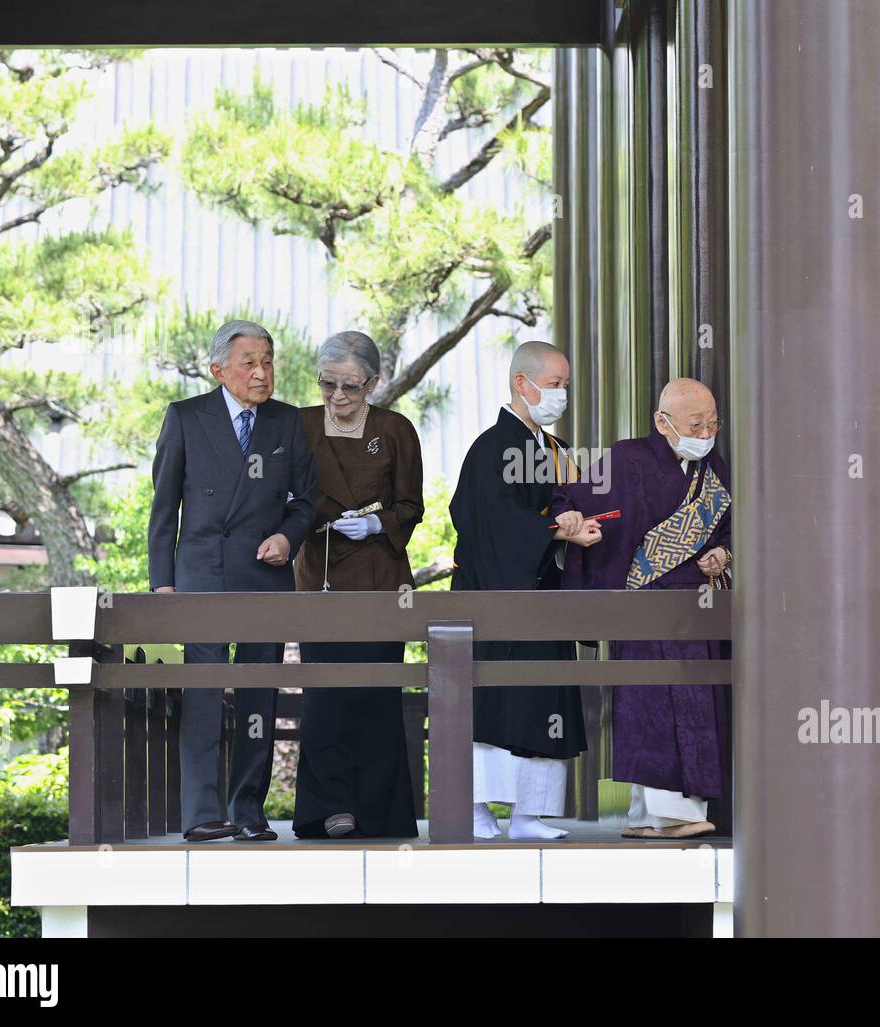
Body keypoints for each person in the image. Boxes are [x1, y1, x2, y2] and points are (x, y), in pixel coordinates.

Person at [148, 319, 318, 842]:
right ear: (219, 369)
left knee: (257, 695)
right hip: (200, 576)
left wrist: (288, 539)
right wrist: (162, 585)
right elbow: (164, 508)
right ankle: (201, 813)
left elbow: (307, 501)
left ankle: (248, 810)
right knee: (202, 693)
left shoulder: (288, 423)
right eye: (249, 362)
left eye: (268, 361)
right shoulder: (185, 417)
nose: (261, 372)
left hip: (263, 578)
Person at [551, 377, 732, 839]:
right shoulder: (627, 458)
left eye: (713, 423)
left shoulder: (714, 468)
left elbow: (732, 527)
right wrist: (572, 523)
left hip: (697, 606)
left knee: (693, 703)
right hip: (646, 602)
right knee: (649, 704)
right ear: (662, 421)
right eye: (696, 423)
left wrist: (723, 554)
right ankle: (667, 812)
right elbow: (574, 504)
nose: (706, 432)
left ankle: (656, 815)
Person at [450, 340, 603, 840]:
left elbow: (570, 502)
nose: (562, 395)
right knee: (490, 704)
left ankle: (528, 815)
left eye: (565, 386)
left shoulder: (554, 451)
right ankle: (474, 810)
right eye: (555, 385)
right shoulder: (489, 449)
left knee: (544, 703)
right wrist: (555, 530)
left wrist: (582, 525)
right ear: (523, 383)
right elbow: (488, 523)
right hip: (495, 597)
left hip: (545, 595)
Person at [291, 331, 423, 840]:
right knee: (325, 696)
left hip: (378, 576)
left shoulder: (395, 430)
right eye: (328, 385)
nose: (339, 398)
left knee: (376, 692)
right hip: (320, 573)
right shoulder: (299, 424)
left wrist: (378, 524)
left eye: (351, 387)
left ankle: (380, 810)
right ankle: (329, 808)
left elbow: (411, 505)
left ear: (373, 382)